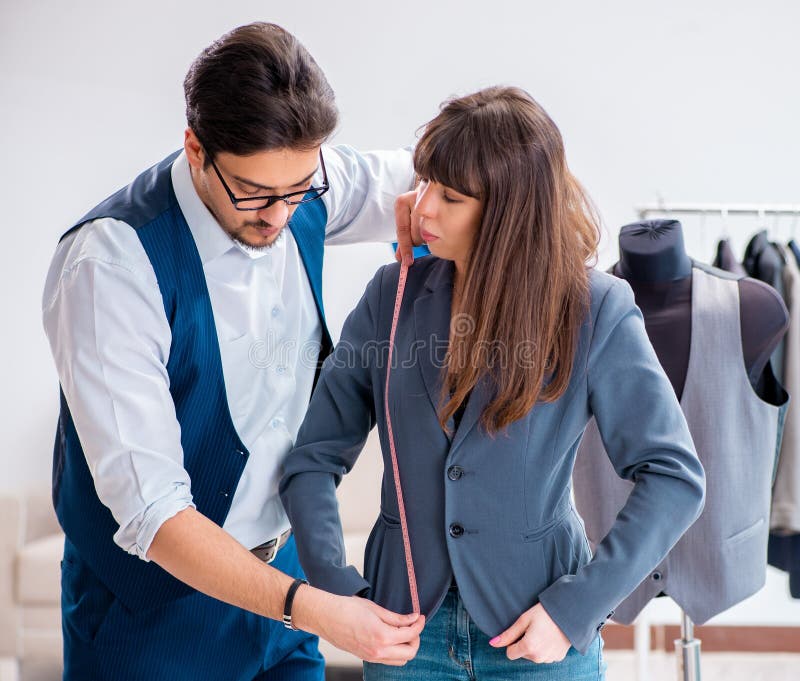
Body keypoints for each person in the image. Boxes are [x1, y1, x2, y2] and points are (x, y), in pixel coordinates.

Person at [280, 86, 707, 680]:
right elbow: (312, 459)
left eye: (450, 197)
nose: (422, 208)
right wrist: (335, 592)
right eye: (424, 182)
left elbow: (673, 477)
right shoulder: (391, 295)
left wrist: (574, 610)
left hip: (538, 633)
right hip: (403, 636)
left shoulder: (596, 309)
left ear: (511, 213)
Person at [43, 22, 424, 681]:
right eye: (254, 192)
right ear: (195, 148)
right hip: (154, 616)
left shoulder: (298, 181)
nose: (279, 215)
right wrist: (309, 608)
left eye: (299, 188)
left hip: (285, 581)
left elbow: (432, 172)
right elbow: (154, 512)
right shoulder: (110, 264)